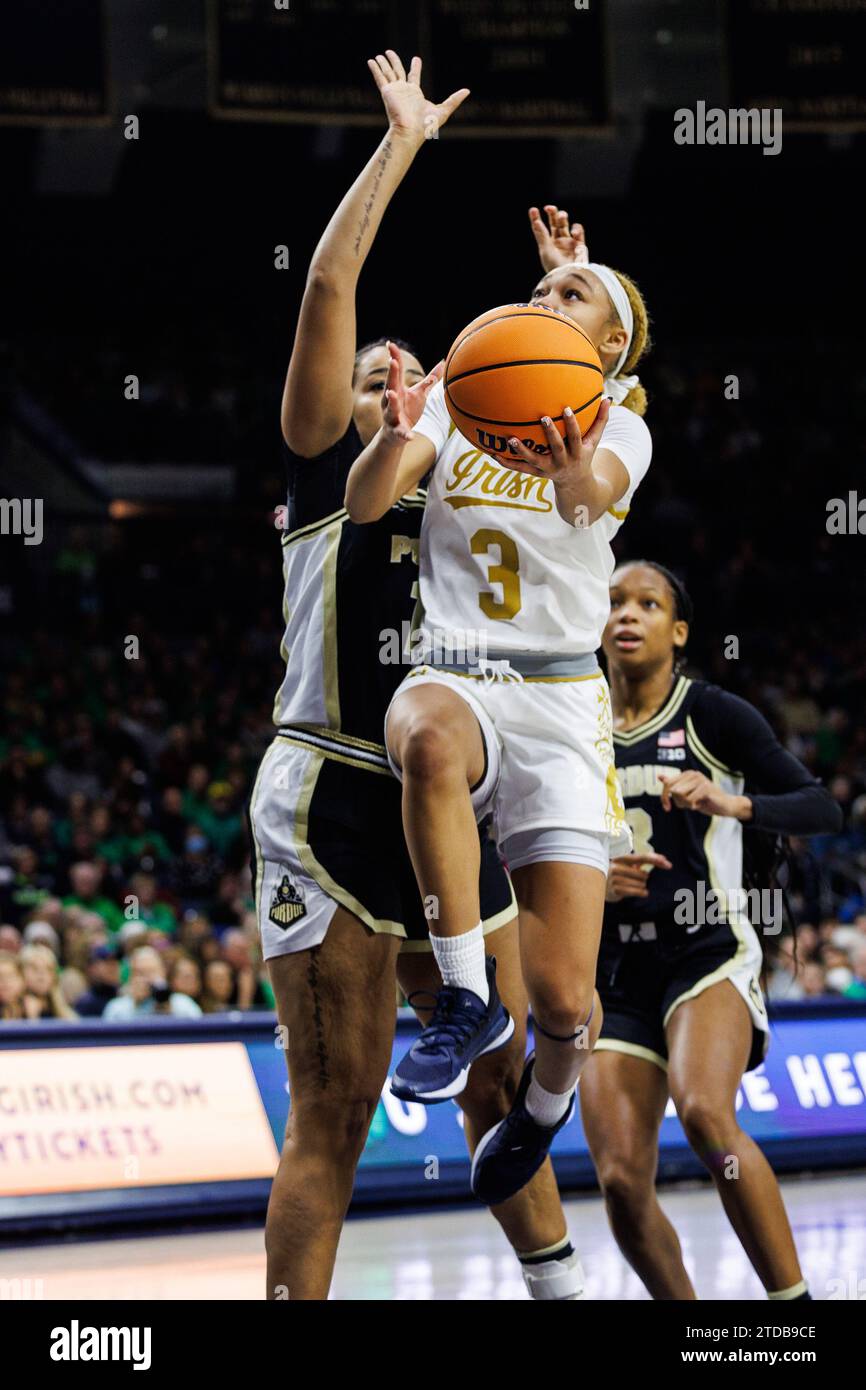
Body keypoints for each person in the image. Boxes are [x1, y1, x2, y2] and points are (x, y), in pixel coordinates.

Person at [249, 52, 580, 1301]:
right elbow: (332, 281)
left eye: (417, 373)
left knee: (496, 1082)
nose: (399, 379)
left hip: (437, 799)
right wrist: (400, 148)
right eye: (378, 367)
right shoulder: (318, 452)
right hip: (332, 791)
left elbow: (556, 407)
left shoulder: (465, 491)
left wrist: (564, 299)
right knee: (330, 1111)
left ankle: (559, 1290)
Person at [346, 205, 652, 1207]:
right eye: (538, 292)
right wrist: (390, 438)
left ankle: (548, 1100)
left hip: (561, 699)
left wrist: (568, 469)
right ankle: (464, 993)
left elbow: (584, 497)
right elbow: (363, 502)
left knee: (565, 1001)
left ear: (610, 347)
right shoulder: (457, 393)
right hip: (458, 666)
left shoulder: (623, 423)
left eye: (570, 296)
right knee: (423, 732)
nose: (543, 299)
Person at [578, 559, 842, 1300]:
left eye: (648, 604)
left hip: (706, 952)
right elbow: (525, 848)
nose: (627, 615)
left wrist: (733, 804)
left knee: (703, 1113)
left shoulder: (712, 714)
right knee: (622, 1182)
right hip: (612, 974)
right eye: (614, 603)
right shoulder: (572, 722)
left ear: (679, 630)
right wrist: (595, 877)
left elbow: (822, 807)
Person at [103, 945, 202, 1019]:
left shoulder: (183, 1003)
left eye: (151, 972)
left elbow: (198, 1035)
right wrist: (135, 1007)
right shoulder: (117, 1007)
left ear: (162, 973)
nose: (146, 979)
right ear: (131, 976)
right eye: (140, 973)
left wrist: (168, 1009)